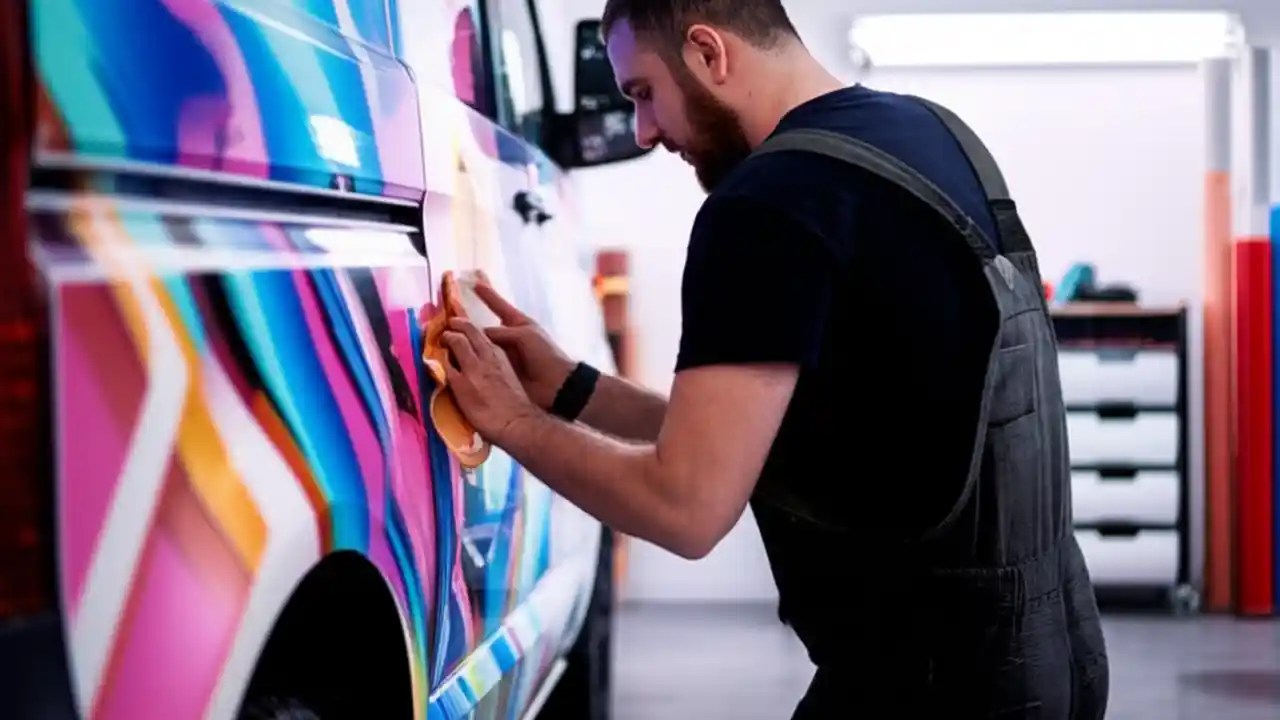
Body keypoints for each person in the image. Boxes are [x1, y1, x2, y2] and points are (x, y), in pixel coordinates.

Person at [434, 0, 1110, 717]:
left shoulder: (764, 207)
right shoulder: (934, 134)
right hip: (1058, 663)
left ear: (708, 52)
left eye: (643, 93)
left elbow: (685, 504)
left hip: (931, 686)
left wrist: (511, 423)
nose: (645, 131)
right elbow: (740, 442)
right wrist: (570, 389)